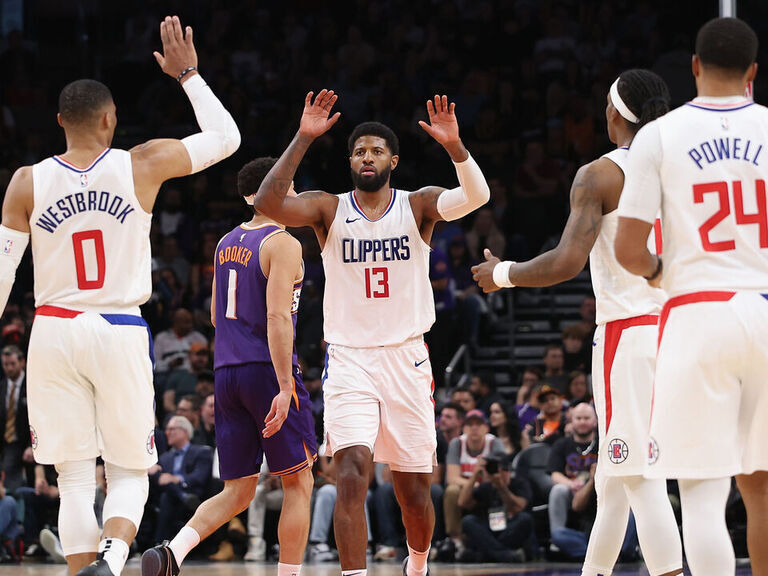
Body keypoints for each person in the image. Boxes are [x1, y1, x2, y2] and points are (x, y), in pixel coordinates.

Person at [0, 14, 240, 576]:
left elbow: (2, 275)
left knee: (75, 477)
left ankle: (88, 567)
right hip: (119, 327)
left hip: (53, 328)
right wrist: (188, 77)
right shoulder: (142, 163)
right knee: (130, 471)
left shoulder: (26, 181)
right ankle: (111, 559)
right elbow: (227, 140)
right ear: (111, 119)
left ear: (60, 122)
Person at [251, 89, 490, 576]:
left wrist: (455, 146)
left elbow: (476, 197)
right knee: (352, 474)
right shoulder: (328, 209)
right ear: (350, 160)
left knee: (414, 495)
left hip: (406, 358)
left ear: (393, 161)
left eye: (376, 150)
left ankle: (417, 564)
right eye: (359, 150)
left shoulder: (418, 206)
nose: (367, 156)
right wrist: (302, 137)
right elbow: (269, 201)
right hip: (350, 360)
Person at [473, 68, 683, 576]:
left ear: (614, 113)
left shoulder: (601, 174)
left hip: (629, 334)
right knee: (614, 477)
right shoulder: (682, 169)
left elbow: (567, 260)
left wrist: (502, 273)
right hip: (678, 329)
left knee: (641, 479)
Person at [614, 17, 767, 576]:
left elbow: (631, 251)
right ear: (752, 73)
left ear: (695, 67)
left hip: (699, 311)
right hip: (765, 307)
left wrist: (661, 274)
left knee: (703, 496)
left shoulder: (658, 135)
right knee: (763, 491)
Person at [141, 156, 317, 576]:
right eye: (287, 185)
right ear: (265, 192)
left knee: (238, 489)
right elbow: (277, 318)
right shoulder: (284, 243)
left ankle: (172, 553)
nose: (293, 193)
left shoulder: (224, 243)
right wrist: (281, 383)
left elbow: (217, 316)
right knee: (298, 481)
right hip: (266, 368)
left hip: (226, 372)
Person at [0, 345, 32, 493]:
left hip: (28, 441)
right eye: (6, 364)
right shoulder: (2, 385)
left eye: (12, 364)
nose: (9, 368)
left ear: (22, 362)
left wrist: (31, 445)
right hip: (7, 441)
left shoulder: (33, 384)